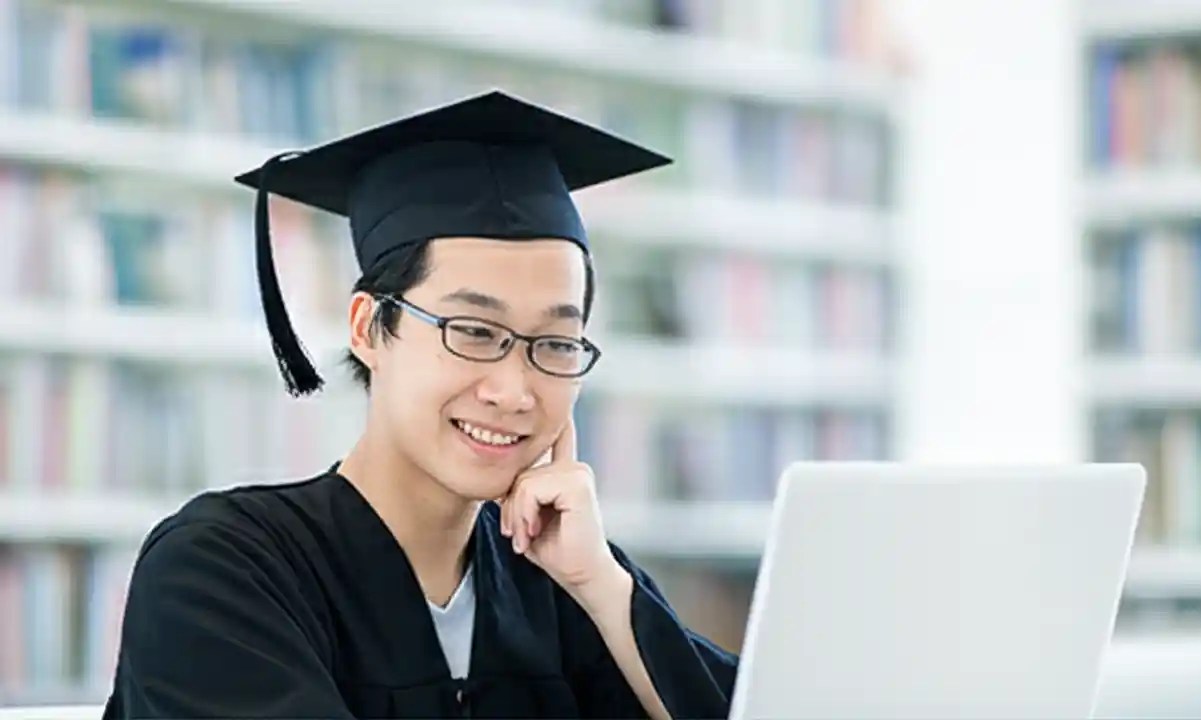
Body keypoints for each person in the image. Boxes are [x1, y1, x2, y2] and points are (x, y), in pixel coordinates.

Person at [102, 90, 738, 719]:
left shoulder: (562, 586)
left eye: (556, 342)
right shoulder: (223, 571)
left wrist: (600, 585)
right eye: (473, 332)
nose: (513, 390)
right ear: (367, 327)